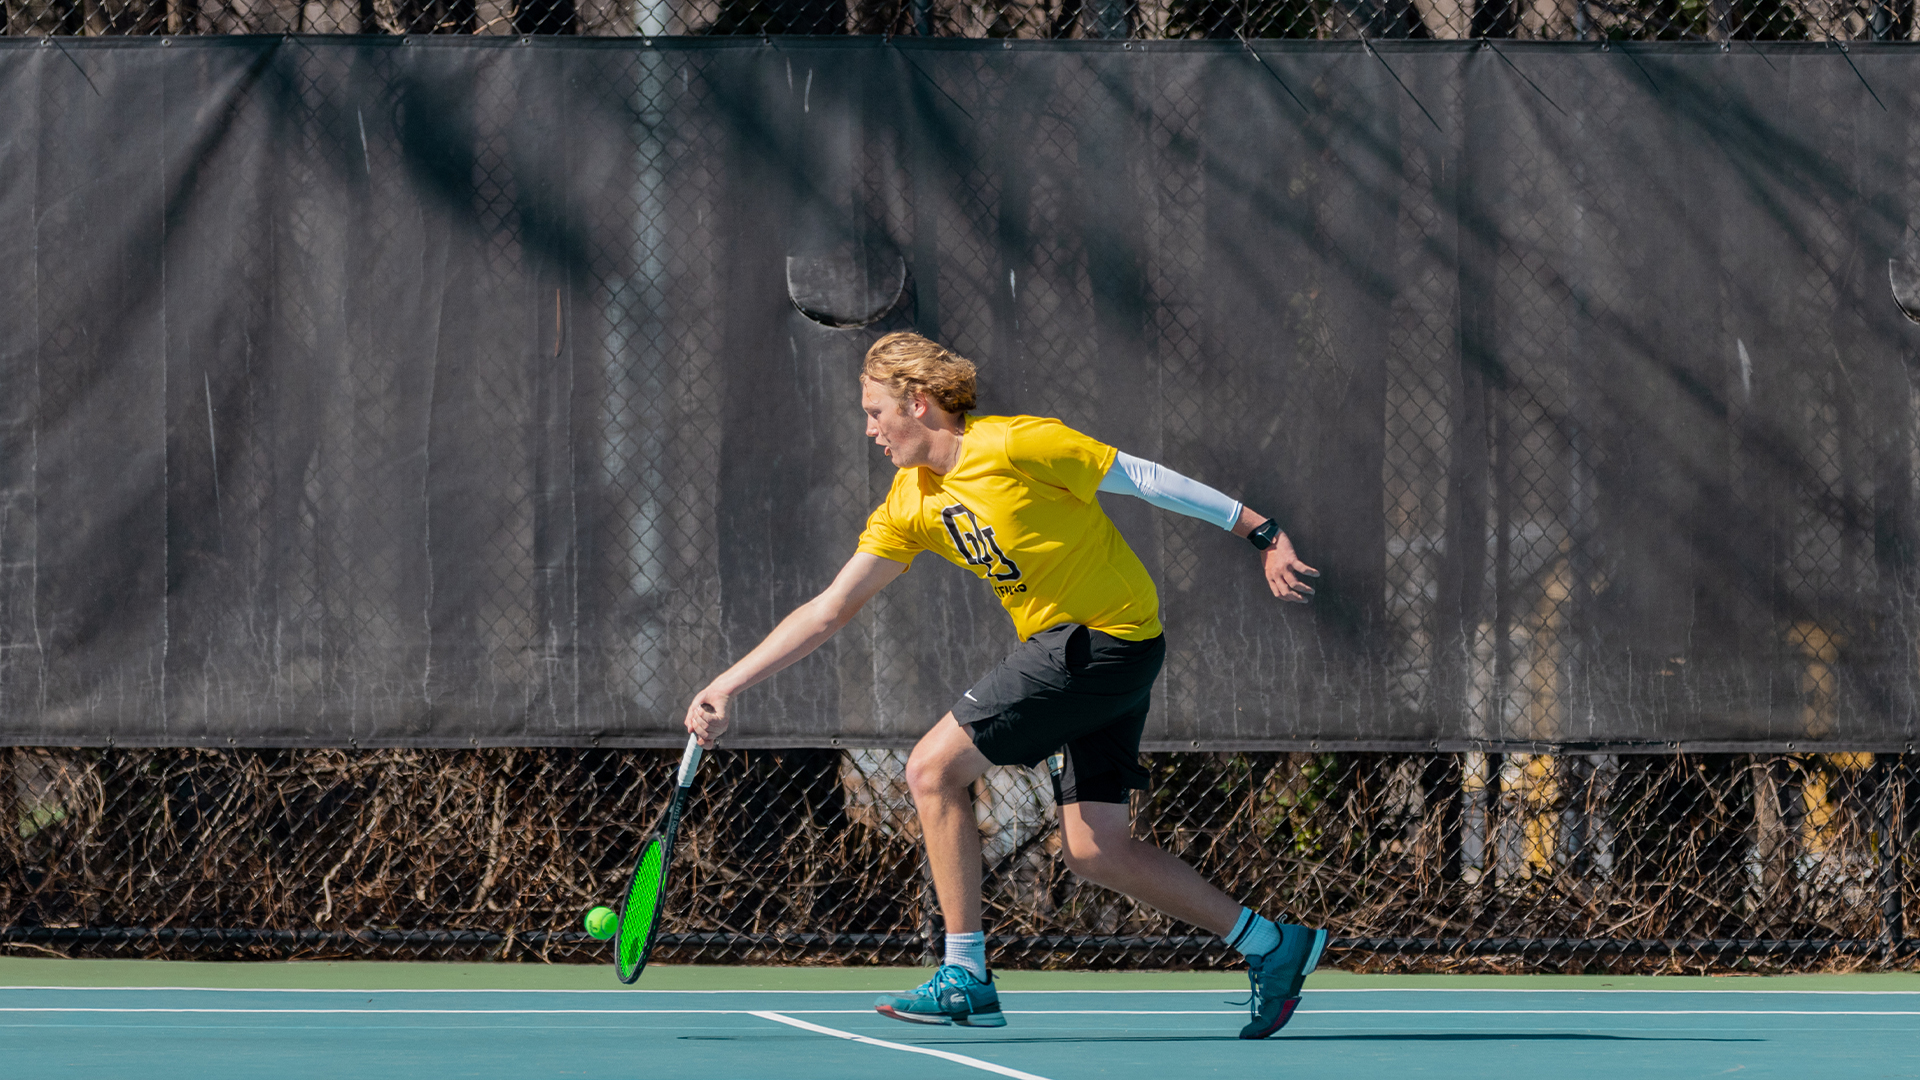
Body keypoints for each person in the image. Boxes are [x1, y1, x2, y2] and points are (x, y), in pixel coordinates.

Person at [683, 332, 1326, 1040]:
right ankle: (1272, 945)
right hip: (1099, 652)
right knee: (1093, 850)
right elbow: (832, 607)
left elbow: (1143, 477)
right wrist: (729, 683)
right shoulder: (910, 503)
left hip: (1100, 640)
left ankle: (965, 974)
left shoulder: (1018, 446)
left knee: (931, 769)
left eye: (875, 411)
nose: (868, 429)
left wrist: (1263, 533)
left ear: (917, 404)